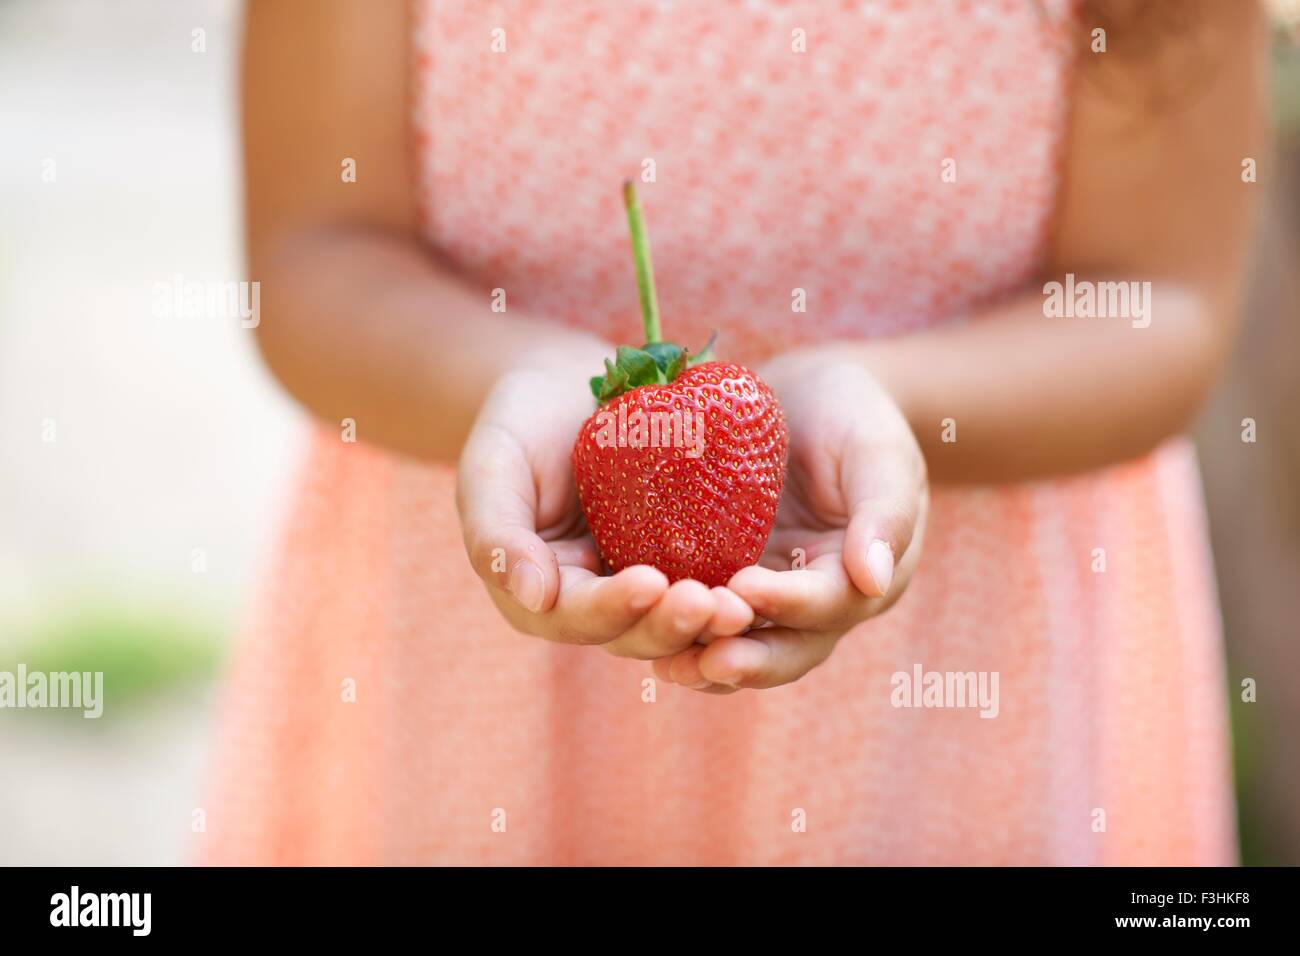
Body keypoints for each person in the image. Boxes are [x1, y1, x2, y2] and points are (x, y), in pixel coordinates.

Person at [202, 0, 1264, 864]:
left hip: (961, 689)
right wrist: (537, 384)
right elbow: (317, 252)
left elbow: (1158, 300)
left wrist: (877, 399)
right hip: (488, 626)